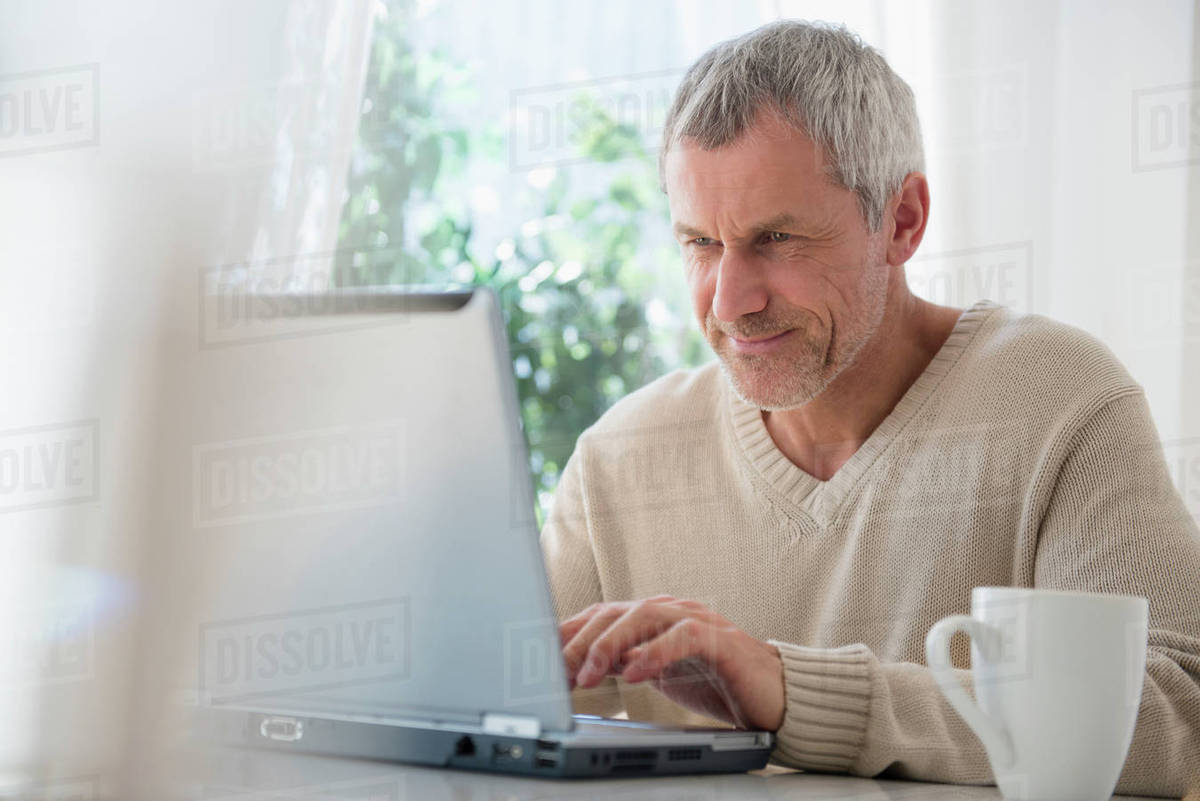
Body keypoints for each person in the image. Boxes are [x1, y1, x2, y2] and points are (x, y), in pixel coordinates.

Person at [538, 19, 1200, 796]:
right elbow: (486, 717)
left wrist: (797, 693)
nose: (729, 300)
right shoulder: (621, 459)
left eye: (776, 238)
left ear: (903, 220)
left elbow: (1178, 718)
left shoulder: (1061, 403)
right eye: (700, 243)